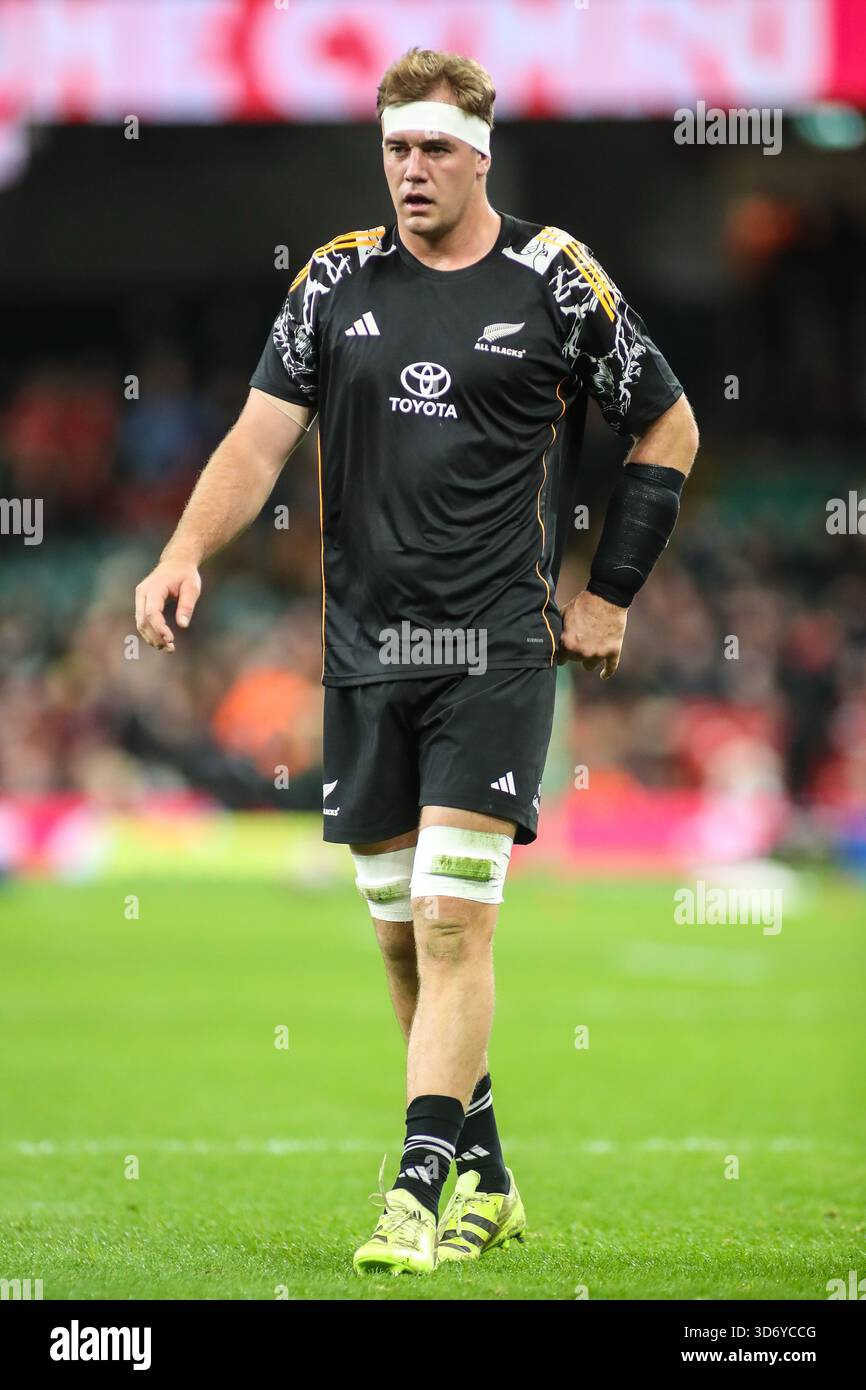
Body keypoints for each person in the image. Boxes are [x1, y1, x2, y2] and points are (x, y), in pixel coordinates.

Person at [134, 46, 699, 1277]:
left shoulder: (554, 278)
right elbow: (256, 438)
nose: (410, 168)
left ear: (480, 152)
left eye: (434, 147)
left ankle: (413, 1195)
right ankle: (486, 1180)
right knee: (401, 939)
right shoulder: (331, 283)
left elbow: (666, 419)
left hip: (494, 650)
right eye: (394, 147)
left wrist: (605, 594)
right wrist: (184, 550)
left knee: (450, 927)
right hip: (364, 656)